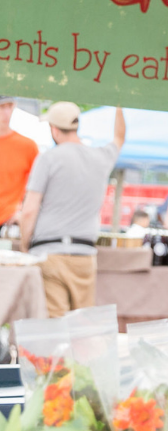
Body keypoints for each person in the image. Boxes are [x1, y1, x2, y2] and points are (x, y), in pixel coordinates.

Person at [19, 102, 126, 317]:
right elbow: (119, 138)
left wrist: (24, 246)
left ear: (54, 130)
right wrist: (119, 104)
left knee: (54, 328)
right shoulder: (100, 157)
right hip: (85, 256)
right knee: (82, 327)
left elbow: (29, 210)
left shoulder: (48, 158)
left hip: (49, 254)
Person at [0, 95, 39, 228]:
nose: (6, 113)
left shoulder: (27, 146)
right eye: (1, 107)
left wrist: (23, 210)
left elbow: (40, 185)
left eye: (9, 106)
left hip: (10, 222)